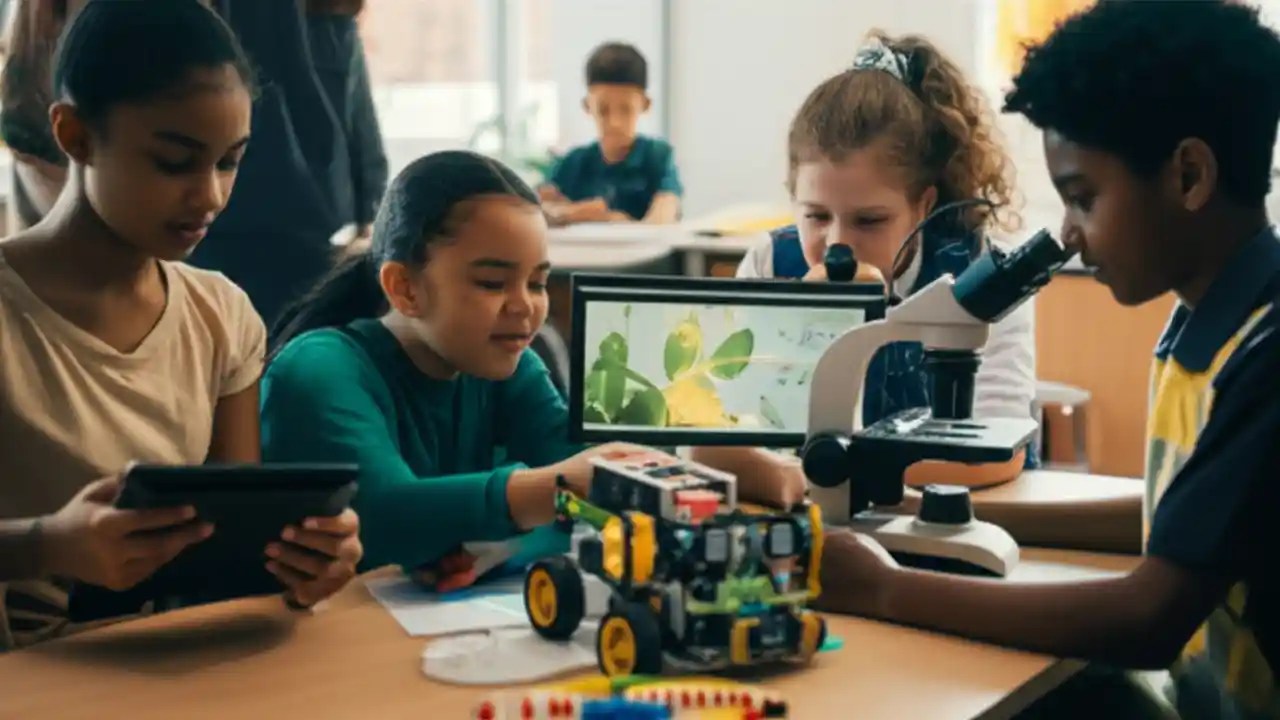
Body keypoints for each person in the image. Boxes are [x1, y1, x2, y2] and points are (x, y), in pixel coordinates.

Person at [817, 3, 1279, 718]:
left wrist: (881, 587)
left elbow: (1147, 616)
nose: (1067, 233)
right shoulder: (1210, 321)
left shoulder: (1266, 358)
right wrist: (917, 511)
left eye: (1083, 198)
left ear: (1188, 176)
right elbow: (1174, 518)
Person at [0, 0, 362, 651]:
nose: (212, 196)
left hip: (180, 660)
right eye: (175, 161)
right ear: (75, 135)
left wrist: (299, 565)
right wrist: (46, 544)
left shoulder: (221, 317)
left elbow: (233, 554)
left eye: (229, 161)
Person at [262, 151, 783, 586]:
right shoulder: (320, 370)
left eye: (536, 282)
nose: (527, 307)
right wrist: (555, 490)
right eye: (493, 283)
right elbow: (383, 517)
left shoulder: (509, 366)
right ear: (403, 287)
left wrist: (503, 543)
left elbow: (583, 481)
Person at [695, 31, 1037, 496]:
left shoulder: (980, 272)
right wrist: (803, 330)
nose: (838, 247)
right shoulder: (771, 264)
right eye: (815, 216)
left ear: (923, 206)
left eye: (869, 220)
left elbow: (998, 453)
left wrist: (838, 469)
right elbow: (725, 437)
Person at [538, 41, 682, 226]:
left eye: (626, 109)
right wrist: (576, 213)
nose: (615, 123)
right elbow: (537, 210)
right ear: (587, 105)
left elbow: (664, 214)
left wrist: (614, 220)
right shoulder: (573, 162)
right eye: (603, 110)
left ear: (645, 104)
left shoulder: (657, 157)